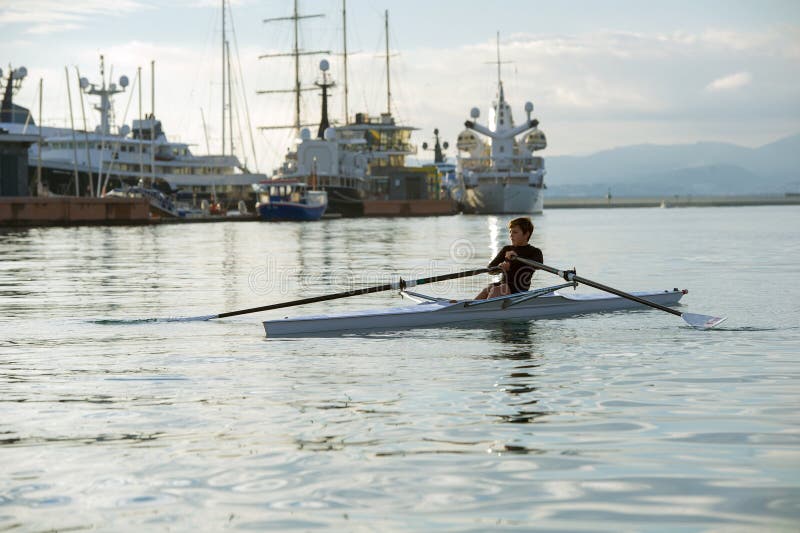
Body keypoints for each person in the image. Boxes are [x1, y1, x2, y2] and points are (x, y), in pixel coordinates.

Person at [474, 217, 543, 300]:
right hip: (503, 286)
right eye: (510, 232)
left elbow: (538, 265)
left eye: (515, 232)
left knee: (497, 289)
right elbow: (490, 269)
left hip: (519, 290)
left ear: (526, 234)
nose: (511, 235)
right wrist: (499, 268)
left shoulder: (535, 252)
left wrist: (516, 258)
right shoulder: (506, 249)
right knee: (488, 289)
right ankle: (467, 309)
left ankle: (485, 310)